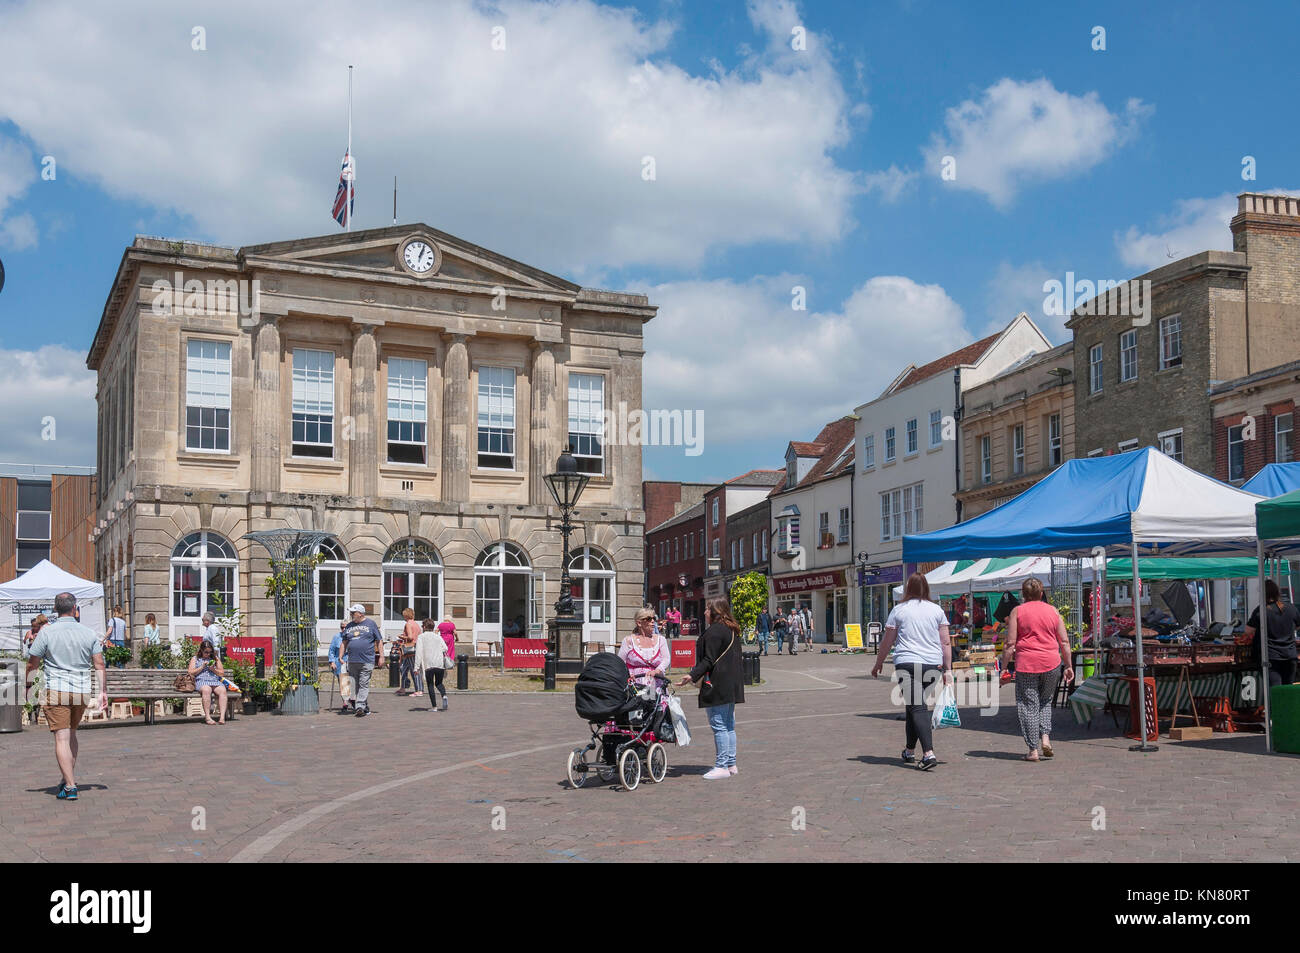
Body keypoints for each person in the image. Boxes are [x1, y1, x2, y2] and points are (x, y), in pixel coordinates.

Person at [25, 592, 106, 801]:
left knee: (62, 738)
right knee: (72, 734)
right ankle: (66, 779)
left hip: (57, 689)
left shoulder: (46, 633)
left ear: (55, 609)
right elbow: (99, 664)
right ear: (74, 608)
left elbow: (32, 663)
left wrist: (28, 685)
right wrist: (102, 691)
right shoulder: (88, 633)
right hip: (81, 690)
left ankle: (70, 785)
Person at [871, 572, 951, 770]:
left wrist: (878, 662)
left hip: (907, 663)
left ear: (908, 589)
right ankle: (909, 751)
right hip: (932, 665)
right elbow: (946, 642)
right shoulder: (936, 610)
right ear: (926, 588)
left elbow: (887, 641)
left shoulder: (899, 610)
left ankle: (928, 754)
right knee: (913, 706)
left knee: (917, 707)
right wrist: (948, 668)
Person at [1001, 578, 1073, 762]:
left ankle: (1033, 750)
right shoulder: (1053, 611)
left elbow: (1010, 644)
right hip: (1052, 663)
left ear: (1023, 595)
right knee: (1045, 701)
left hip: (1027, 664)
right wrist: (1069, 665)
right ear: (1041, 594)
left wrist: (1004, 668)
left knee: (1028, 705)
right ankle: (1046, 738)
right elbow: (1064, 641)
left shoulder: (1017, 611)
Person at [679, 598, 744, 779]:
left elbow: (708, 659)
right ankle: (731, 763)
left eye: (708, 609)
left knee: (719, 726)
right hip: (731, 684)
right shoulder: (731, 630)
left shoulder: (714, 632)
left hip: (718, 684)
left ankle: (722, 766)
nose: (705, 612)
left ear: (715, 612)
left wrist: (692, 675)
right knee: (729, 725)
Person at [1244, 579, 1300, 688]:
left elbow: (1248, 630)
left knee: (1275, 691)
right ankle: (1286, 706)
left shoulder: (1261, 610)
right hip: (1290, 656)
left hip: (1271, 657)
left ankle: (1274, 706)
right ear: (1277, 592)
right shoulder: (1291, 608)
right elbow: (1298, 625)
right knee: (1288, 690)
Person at [341, 603, 384, 717]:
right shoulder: (349, 626)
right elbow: (344, 642)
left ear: (360, 614)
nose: (351, 615)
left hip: (367, 659)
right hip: (353, 660)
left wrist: (381, 656)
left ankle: (359, 706)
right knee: (355, 684)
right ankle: (363, 705)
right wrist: (340, 656)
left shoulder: (371, 624)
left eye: (353, 613)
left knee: (363, 683)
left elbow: (379, 641)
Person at [620, 608, 670, 691]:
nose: (653, 621)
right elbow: (620, 662)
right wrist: (628, 674)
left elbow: (666, 659)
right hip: (635, 685)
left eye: (654, 618)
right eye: (649, 619)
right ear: (639, 623)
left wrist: (657, 671)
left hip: (657, 685)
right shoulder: (628, 641)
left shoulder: (661, 640)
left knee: (656, 703)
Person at [188, 639, 228, 725]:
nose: (208, 654)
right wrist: (202, 667)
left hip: (214, 680)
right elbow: (190, 672)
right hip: (201, 680)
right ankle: (207, 717)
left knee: (222, 690)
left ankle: (222, 717)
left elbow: (221, 673)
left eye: (210, 652)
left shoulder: (215, 658)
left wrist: (213, 669)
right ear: (201, 650)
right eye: (206, 652)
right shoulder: (195, 659)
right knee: (207, 690)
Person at [416, 619, 450, 712]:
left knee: (430, 684)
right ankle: (444, 695)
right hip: (439, 663)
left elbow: (418, 653)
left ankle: (434, 706)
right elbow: (445, 648)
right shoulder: (438, 637)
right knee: (439, 683)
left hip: (429, 664)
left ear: (424, 627)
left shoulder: (421, 637)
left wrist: (416, 667)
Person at [398, 608, 424, 697]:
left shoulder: (408, 624)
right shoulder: (416, 624)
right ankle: (403, 687)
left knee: (415, 670)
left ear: (406, 615)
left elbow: (410, 637)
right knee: (403, 668)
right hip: (415, 648)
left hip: (410, 649)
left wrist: (401, 637)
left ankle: (419, 689)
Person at [328, 620, 353, 712]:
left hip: (351, 662)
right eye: (342, 627)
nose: (344, 629)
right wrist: (332, 662)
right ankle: (345, 702)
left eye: (346, 627)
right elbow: (331, 651)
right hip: (340, 662)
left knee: (351, 682)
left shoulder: (353, 637)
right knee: (343, 683)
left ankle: (352, 700)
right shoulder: (336, 637)